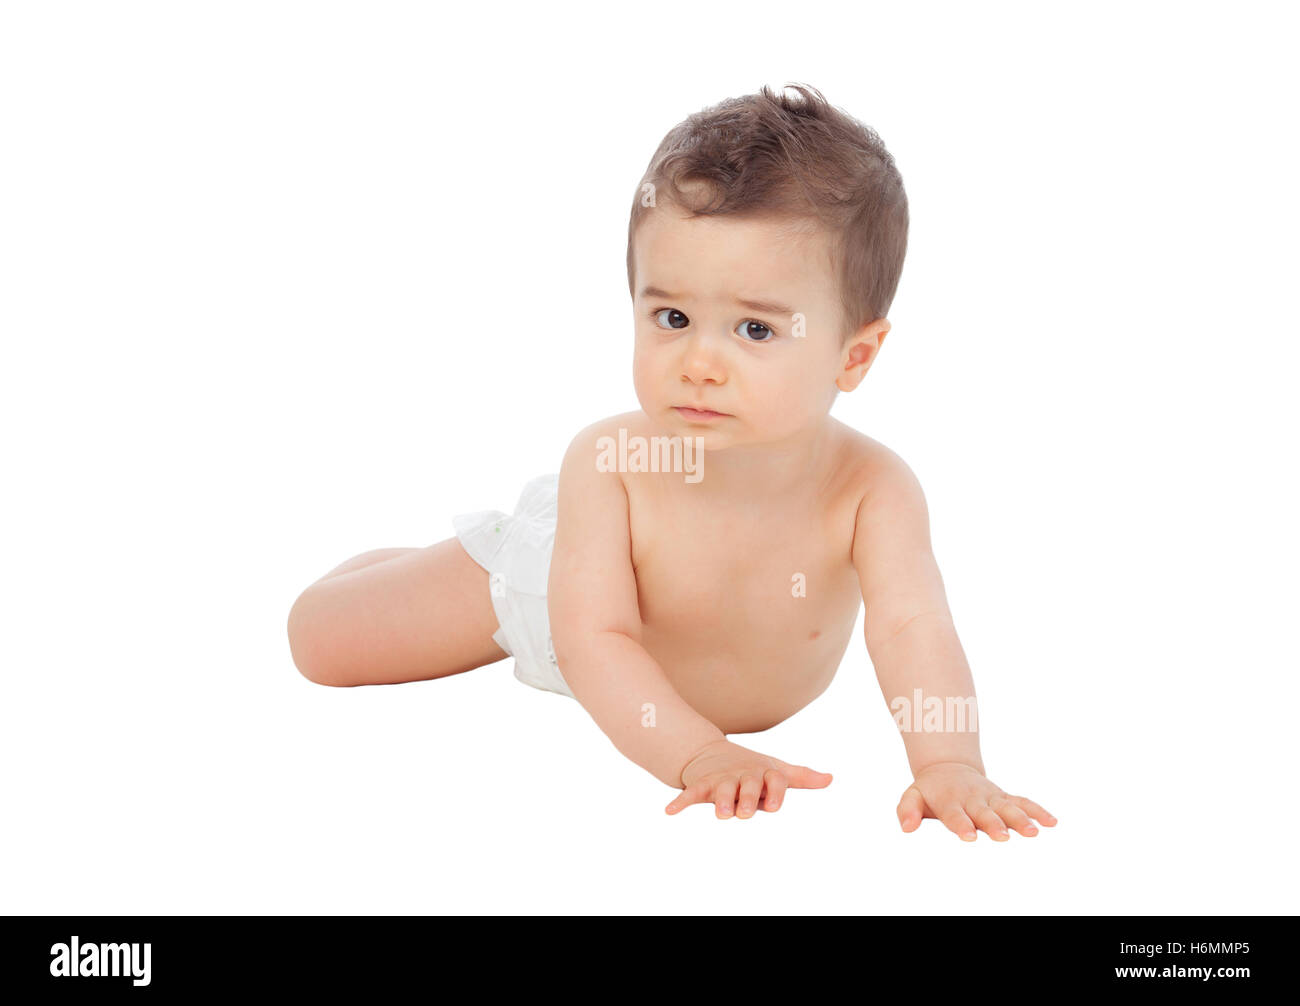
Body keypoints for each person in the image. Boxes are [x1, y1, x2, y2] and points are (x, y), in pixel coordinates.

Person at [287, 83, 1057, 840]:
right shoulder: (610, 464)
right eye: (673, 317)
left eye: (754, 331)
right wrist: (696, 754)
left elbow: (912, 625)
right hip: (546, 595)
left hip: (624, 628)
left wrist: (950, 759)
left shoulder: (873, 489)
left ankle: (416, 561)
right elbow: (597, 640)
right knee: (320, 641)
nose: (698, 362)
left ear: (853, 355)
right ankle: (435, 560)